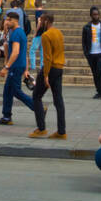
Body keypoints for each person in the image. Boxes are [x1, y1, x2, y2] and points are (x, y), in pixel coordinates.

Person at [28, 11, 66, 139]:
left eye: (40, 21)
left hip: (50, 69)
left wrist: (45, 75)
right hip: (59, 67)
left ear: (46, 21)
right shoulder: (59, 32)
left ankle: (41, 128)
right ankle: (62, 131)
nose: (39, 23)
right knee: (58, 100)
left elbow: (48, 57)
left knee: (36, 96)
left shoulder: (46, 35)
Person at [0, 11, 34, 126]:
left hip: (15, 66)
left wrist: (6, 67)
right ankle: (6, 116)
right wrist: (26, 69)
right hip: (19, 65)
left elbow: (16, 52)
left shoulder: (16, 33)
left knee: (16, 91)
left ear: (14, 20)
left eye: (7, 20)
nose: (6, 22)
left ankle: (37, 107)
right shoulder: (19, 32)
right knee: (7, 91)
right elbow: (24, 52)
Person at [81, 7, 101, 99]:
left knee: (100, 71)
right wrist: (86, 53)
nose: (96, 16)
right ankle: (98, 91)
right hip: (91, 54)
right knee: (95, 73)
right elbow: (84, 41)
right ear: (91, 15)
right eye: (94, 14)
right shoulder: (86, 27)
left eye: (97, 14)